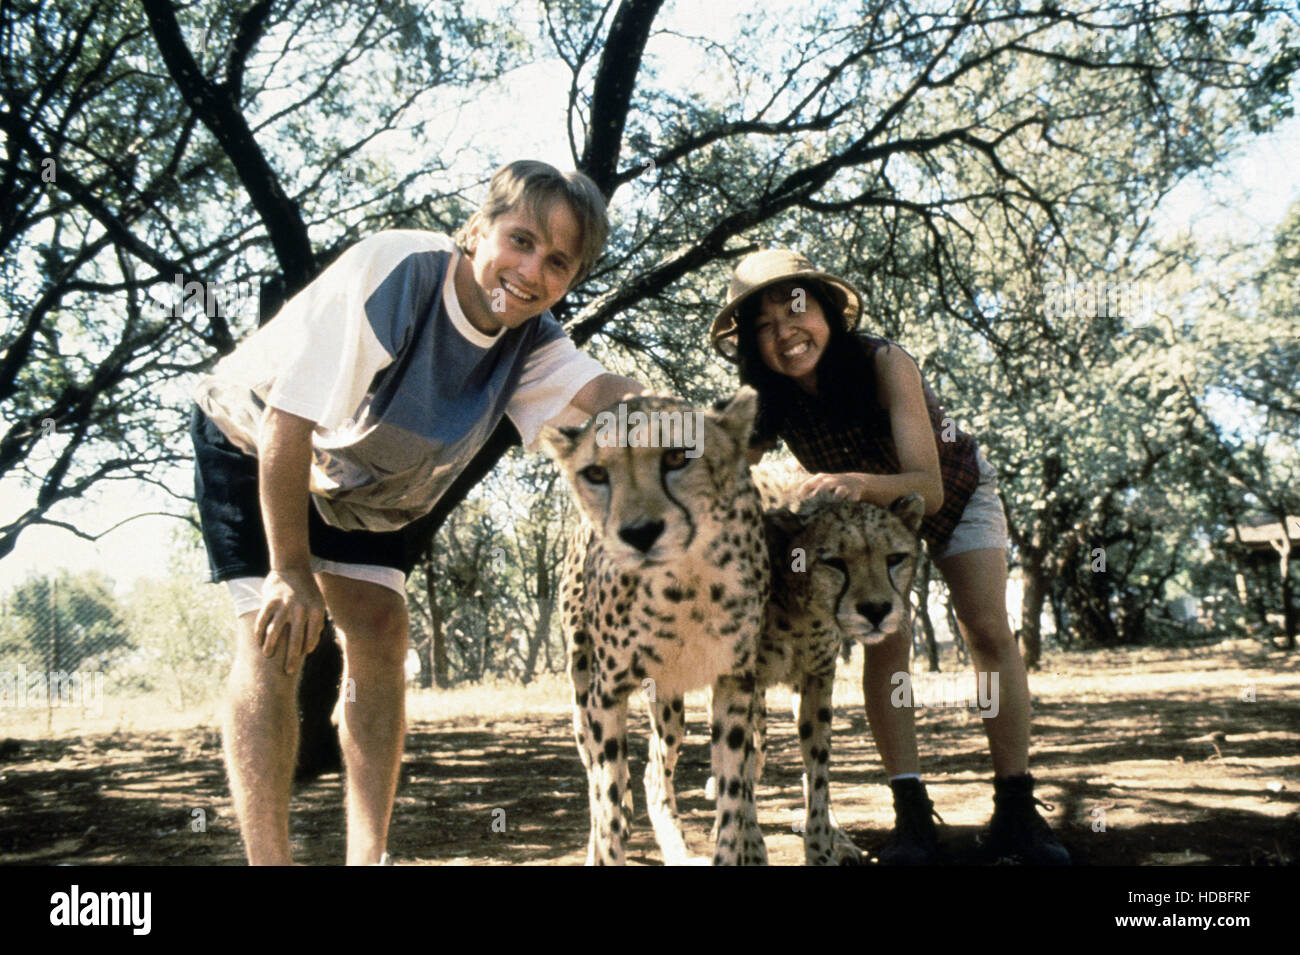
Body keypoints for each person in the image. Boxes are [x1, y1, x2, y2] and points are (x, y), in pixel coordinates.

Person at [191, 160, 642, 865]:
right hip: (258, 435)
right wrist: (289, 569)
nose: (531, 270)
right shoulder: (396, 271)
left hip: (356, 474)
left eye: (557, 261)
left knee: (380, 628)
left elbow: (602, 393)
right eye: (520, 240)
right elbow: (288, 417)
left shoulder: (534, 340)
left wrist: (685, 423)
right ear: (475, 229)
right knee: (275, 636)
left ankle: (367, 858)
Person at [709, 248, 1069, 865]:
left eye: (796, 310)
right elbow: (724, 469)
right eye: (763, 327)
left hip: (952, 494)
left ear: (826, 308)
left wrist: (852, 483)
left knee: (985, 627)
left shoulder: (885, 361)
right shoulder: (766, 398)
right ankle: (911, 815)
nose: (785, 334)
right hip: (861, 525)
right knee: (884, 640)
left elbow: (925, 489)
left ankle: (1016, 810)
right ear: (749, 343)